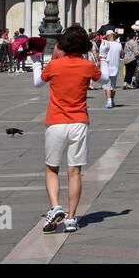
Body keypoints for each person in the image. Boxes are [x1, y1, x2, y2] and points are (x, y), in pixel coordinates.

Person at [35, 25, 107, 234]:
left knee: (52, 168)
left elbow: (37, 83)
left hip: (56, 122)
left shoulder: (55, 66)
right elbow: (104, 79)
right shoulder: (87, 66)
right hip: (79, 122)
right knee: (74, 171)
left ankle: (55, 205)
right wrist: (96, 62)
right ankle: (71, 218)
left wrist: (39, 65)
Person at [98, 28, 123, 110]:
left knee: (107, 85)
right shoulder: (119, 44)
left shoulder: (105, 44)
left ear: (107, 36)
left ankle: (109, 101)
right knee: (113, 86)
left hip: (106, 66)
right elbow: (122, 54)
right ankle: (112, 100)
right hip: (115, 66)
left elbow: (101, 55)